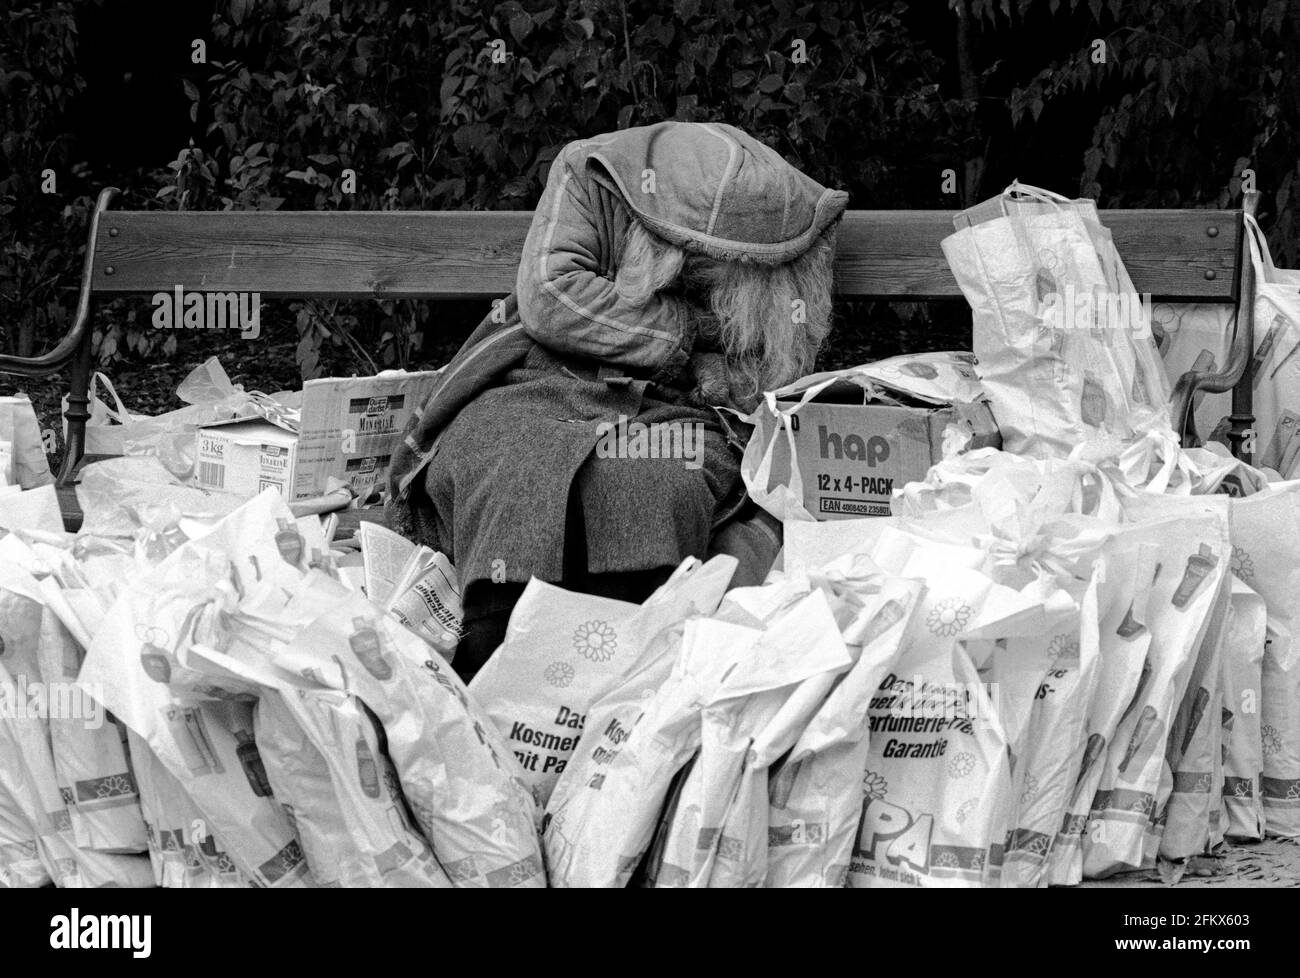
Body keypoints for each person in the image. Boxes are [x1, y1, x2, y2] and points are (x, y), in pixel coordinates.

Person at [387, 121, 847, 680]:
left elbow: (767, 369)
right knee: (504, 454)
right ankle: (494, 658)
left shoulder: (792, 222)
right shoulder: (590, 171)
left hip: (682, 407)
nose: (695, 264)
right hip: (532, 379)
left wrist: (703, 369)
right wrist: (692, 329)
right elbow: (553, 300)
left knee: (654, 472)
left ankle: (628, 668)